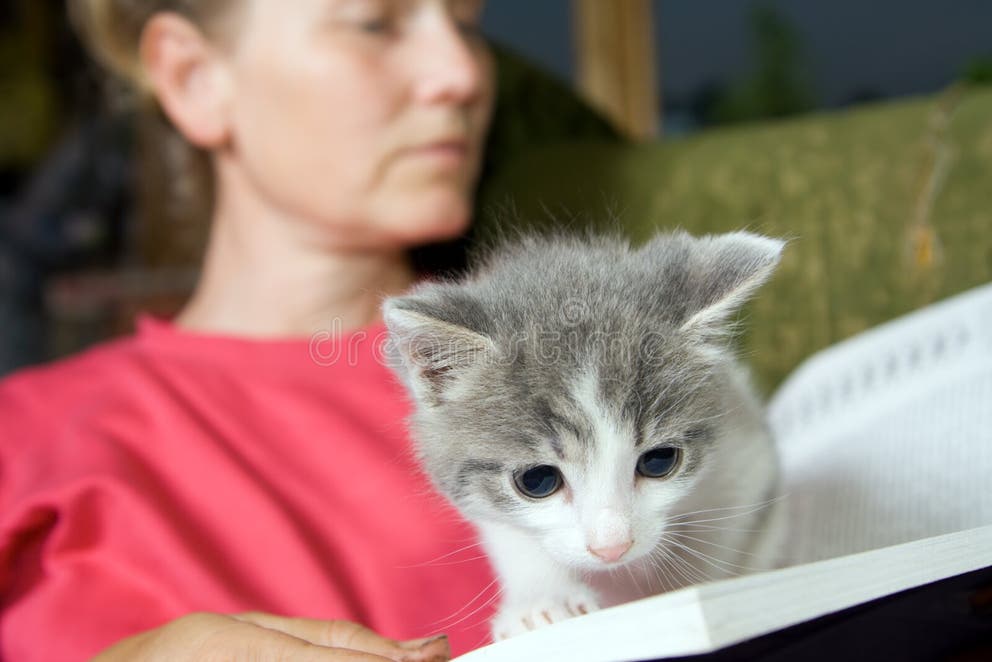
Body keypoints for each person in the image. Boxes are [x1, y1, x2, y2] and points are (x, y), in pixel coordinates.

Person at [0, 0, 497, 660]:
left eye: (466, 24)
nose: (461, 73)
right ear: (194, 77)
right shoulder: (22, 438)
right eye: (375, 22)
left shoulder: (585, 378)